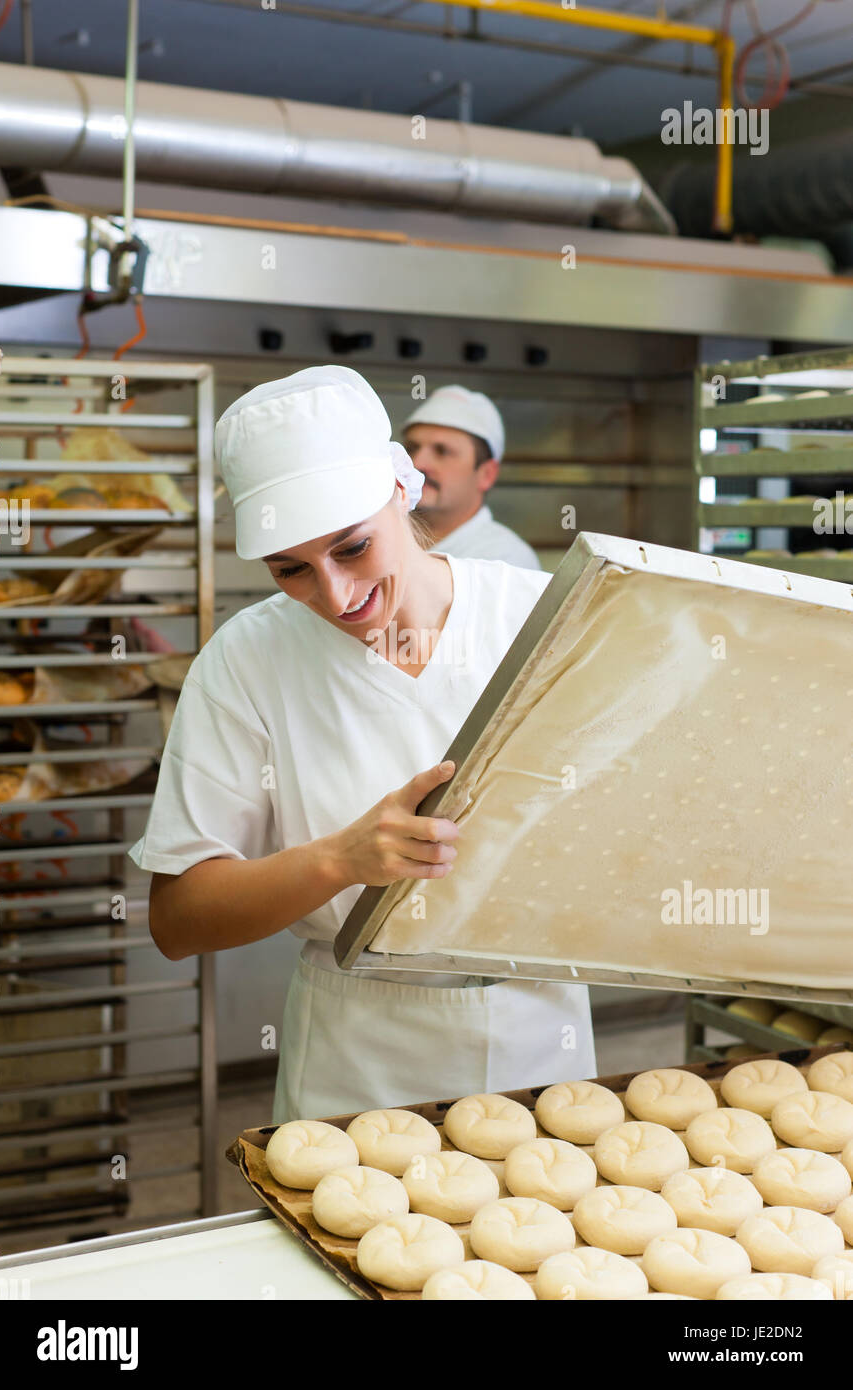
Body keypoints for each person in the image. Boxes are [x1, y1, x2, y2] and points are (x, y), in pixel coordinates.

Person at [128, 365, 594, 1124]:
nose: (337, 598)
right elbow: (178, 920)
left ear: (402, 490)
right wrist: (337, 860)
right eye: (291, 571)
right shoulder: (247, 661)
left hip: (541, 1037)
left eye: (352, 549)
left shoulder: (537, 614)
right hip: (359, 1058)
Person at [402, 384, 540, 569]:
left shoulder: (506, 561)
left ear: (486, 475)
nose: (417, 463)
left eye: (442, 451)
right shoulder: (376, 535)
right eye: (411, 448)